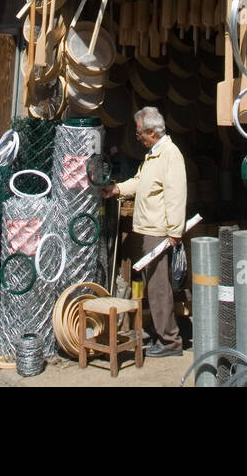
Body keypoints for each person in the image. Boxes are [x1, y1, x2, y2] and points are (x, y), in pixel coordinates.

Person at [101, 107, 188, 357]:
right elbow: (140, 182)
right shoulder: (153, 156)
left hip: (159, 233)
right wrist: (116, 189)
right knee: (154, 287)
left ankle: (171, 342)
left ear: (151, 131)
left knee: (159, 288)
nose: (137, 136)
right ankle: (164, 336)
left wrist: (174, 231)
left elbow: (176, 194)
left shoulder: (170, 155)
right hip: (150, 230)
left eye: (139, 132)